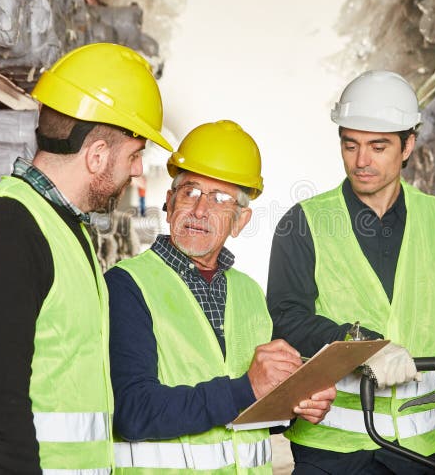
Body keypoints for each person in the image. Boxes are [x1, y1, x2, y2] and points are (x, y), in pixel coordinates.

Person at [0, 43, 173, 474]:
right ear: (98, 155)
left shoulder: (62, 231)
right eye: (135, 154)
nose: (139, 171)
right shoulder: (1, 231)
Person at [267, 71, 435, 474]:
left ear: (408, 145)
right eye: (351, 145)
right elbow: (287, 318)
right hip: (331, 454)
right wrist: (361, 347)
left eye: (377, 147)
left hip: (422, 453)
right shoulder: (304, 222)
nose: (361, 161)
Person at [106, 120, 336, 473]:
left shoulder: (249, 292)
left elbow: (251, 414)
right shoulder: (126, 286)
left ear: (240, 220)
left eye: (220, 199)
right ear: (168, 202)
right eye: (190, 192)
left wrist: (295, 404)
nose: (200, 210)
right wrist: (247, 388)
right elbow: (133, 412)